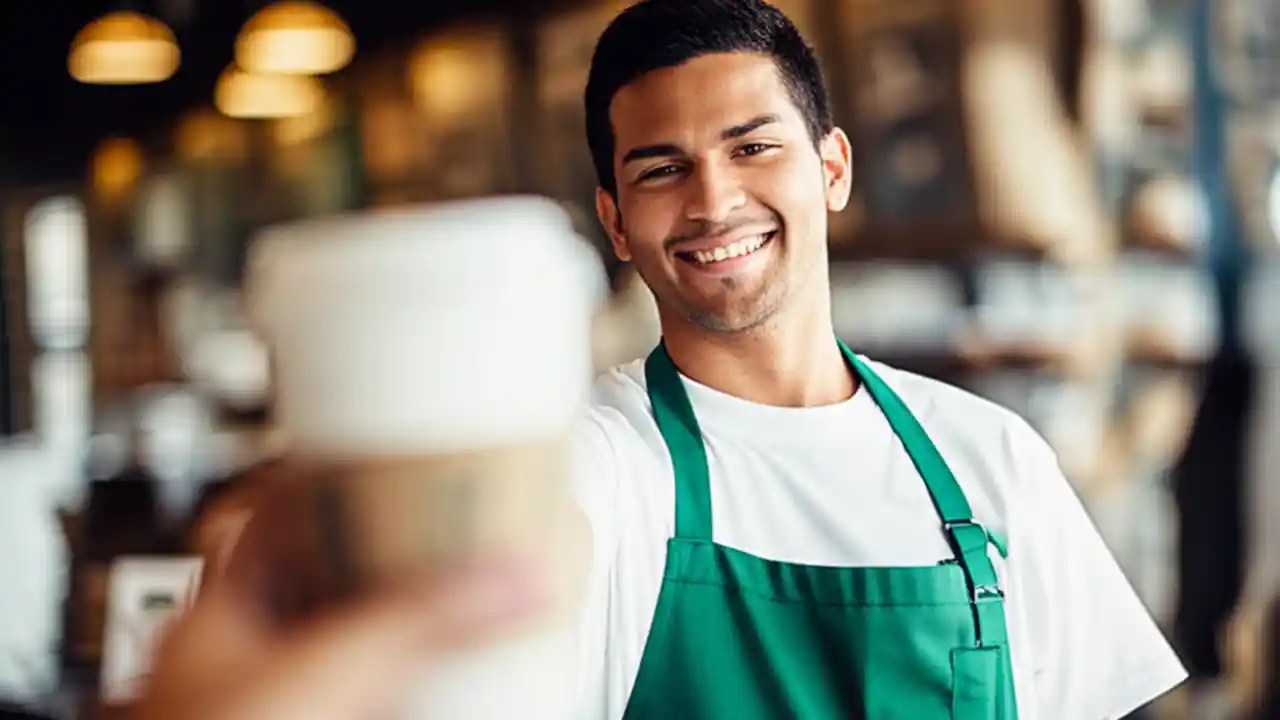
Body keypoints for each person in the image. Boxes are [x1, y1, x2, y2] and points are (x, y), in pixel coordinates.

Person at [568, 0, 1187, 718]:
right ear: (614, 221)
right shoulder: (596, 472)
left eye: (752, 149)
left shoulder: (990, 460)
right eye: (663, 170)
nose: (713, 201)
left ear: (832, 169)